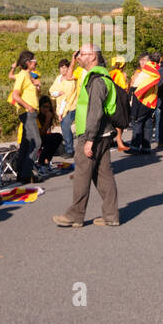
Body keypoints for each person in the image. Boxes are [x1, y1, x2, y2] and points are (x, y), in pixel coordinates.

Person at [54, 45, 120, 227]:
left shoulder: (97, 80)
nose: (78, 56)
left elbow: (95, 111)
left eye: (81, 54)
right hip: (103, 132)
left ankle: (75, 215)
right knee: (104, 174)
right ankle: (111, 215)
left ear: (93, 57)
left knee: (82, 173)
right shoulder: (102, 76)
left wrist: (89, 139)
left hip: (93, 134)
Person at [9, 50, 42, 183]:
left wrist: (37, 87)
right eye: (34, 60)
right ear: (28, 62)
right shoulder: (23, 75)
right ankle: (25, 173)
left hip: (31, 113)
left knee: (26, 143)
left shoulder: (28, 76)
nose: (36, 62)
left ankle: (21, 173)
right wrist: (28, 107)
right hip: (28, 113)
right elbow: (15, 95)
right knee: (36, 143)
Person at [127, 54, 159, 153]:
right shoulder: (153, 72)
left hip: (143, 102)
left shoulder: (145, 74)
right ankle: (146, 147)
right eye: (140, 60)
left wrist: (134, 110)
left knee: (137, 122)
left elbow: (136, 91)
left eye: (144, 60)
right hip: (150, 102)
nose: (142, 62)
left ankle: (135, 147)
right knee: (147, 124)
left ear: (149, 61)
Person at [49, 57, 79, 159]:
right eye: (61, 68)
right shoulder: (58, 78)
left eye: (65, 67)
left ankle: (70, 150)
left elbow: (67, 97)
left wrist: (62, 112)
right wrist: (57, 93)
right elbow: (51, 90)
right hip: (61, 108)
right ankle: (68, 148)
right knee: (64, 127)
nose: (63, 70)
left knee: (66, 126)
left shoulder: (70, 80)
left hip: (70, 106)